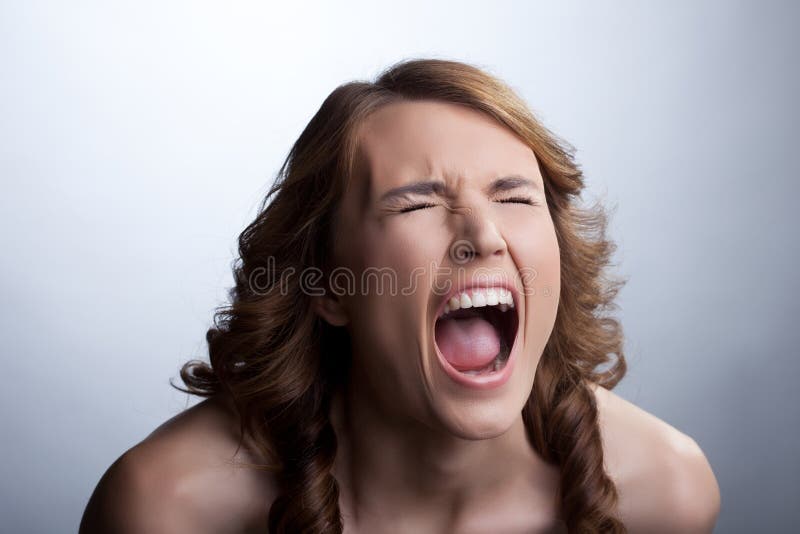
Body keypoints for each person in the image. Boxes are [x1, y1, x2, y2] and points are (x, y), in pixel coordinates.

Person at [79, 58, 721, 533]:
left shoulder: (666, 488)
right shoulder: (165, 507)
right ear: (330, 285)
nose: (483, 235)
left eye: (514, 197)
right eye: (416, 203)